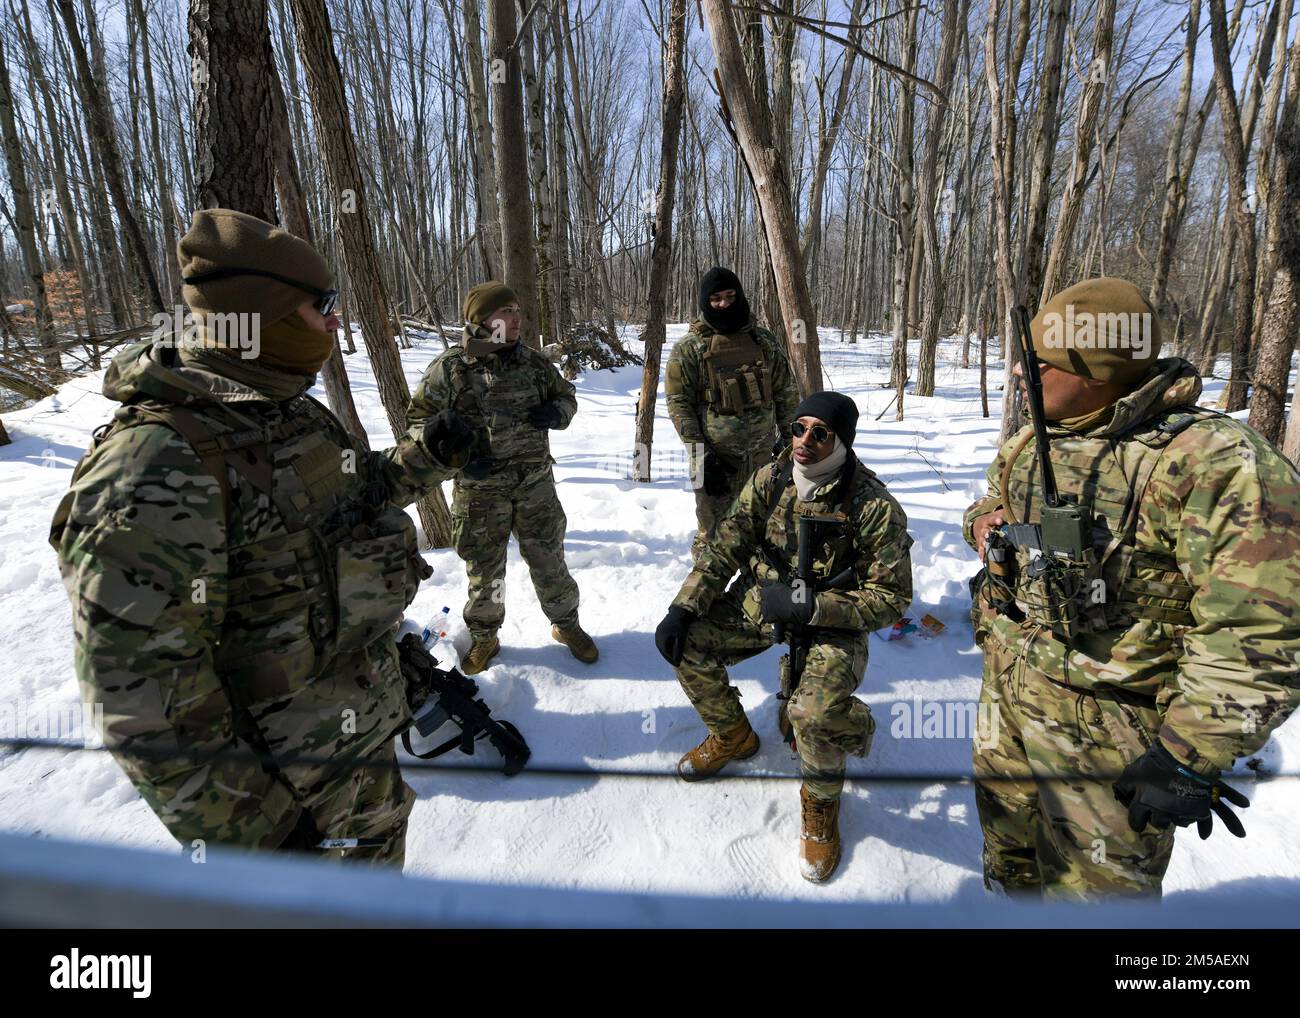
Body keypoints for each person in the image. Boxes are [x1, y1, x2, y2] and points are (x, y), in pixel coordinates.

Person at [49, 209, 472, 865]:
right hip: (285, 817)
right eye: (323, 304)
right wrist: (261, 838)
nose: (337, 321)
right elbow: (142, 694)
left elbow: (352, 497)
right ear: (262, 315)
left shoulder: (285, 406)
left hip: (353, 765)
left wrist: (428, 456)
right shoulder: (156, 465)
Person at [965, 276, 1300, 899]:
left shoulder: (1215, 463)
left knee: (1095, 902)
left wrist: (1190, 752)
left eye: (1039, 362)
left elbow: (1262, 627)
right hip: (1012, 693)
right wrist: (984, 523)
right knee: (1011, 868)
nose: (1018, 371)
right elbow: (995, 506)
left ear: (1096, 371)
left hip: (1114, 730)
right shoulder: (1041, 435)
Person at [655, 391, 913, 882]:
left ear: (842, 441)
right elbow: (725, 544)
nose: (805, 441)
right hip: (765, 600)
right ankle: (732, 737)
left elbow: (893, 598)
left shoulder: (873, 505)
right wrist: (683, 605)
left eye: (821, 433)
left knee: (812, 713)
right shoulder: (771, 478)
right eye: (799, 427)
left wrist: (817, 606)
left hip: (835, 621)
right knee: (687, 645)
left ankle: (820, 804)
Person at [406, 281, 597, 675]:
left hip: (535, 487)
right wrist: (456, 459)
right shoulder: (450, 368)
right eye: (505, 311)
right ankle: (484, 637)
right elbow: (419, 424)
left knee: (550, 563)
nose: (516, 317)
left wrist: (557, 413)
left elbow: (567, 396)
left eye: (517, 310)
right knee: (484, 571)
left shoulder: (534, 362)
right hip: (479, 494)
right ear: (481, 320)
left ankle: (567, 625)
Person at [665, 267, 800, 560]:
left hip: (764, 461)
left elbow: (786, 394)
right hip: (716, 464)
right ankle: (704, 600)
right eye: (716, 299)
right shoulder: (689, 348)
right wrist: (702, 458)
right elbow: (679, 406)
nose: (724, 304)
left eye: (730, 296)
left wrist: (792, 446)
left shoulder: (763, 341)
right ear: (705, 301)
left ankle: (760, 597)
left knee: (769, 534)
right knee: (713, 537)